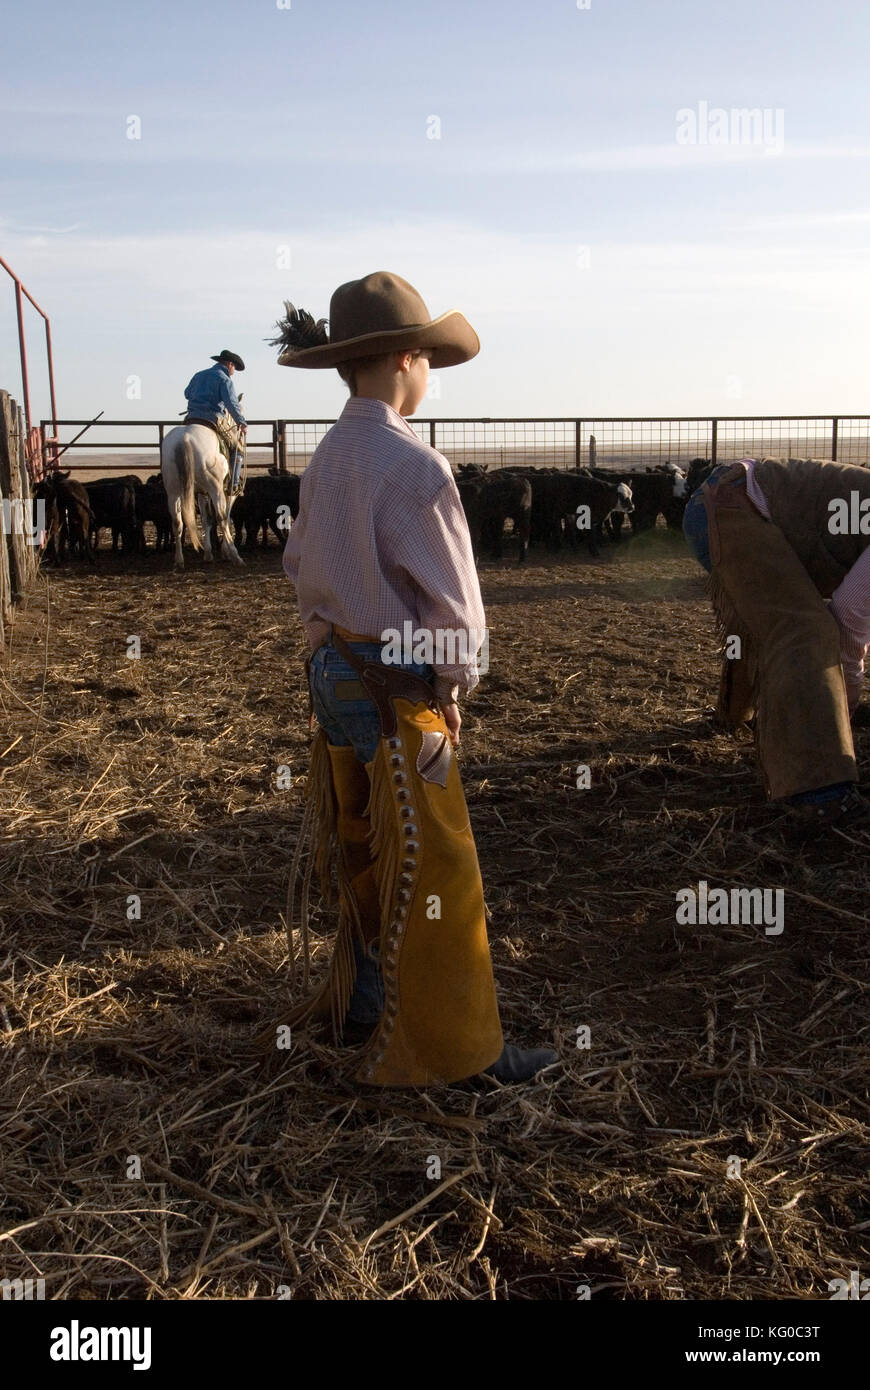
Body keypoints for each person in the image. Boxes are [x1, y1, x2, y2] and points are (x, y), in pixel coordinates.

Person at [272, 270, 558, 1085]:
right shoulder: (417, 468)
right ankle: (455, 1048)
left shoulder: (327, 457)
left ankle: (361, 998)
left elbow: (299, 565)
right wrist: (451, 690)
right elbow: (457, 614)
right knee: (436, 862)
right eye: (429, 356)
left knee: (361, 841)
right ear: (405, 359)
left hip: (333, 674)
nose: (430, 369)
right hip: (397, 685)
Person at [683, 456, 870, 824]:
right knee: (806, 630)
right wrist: (844, 703)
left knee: (771, 618)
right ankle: (819, 791)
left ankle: (734, 714)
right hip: (730, 507)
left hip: (727, 500)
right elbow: (848, 617)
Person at [183, 349, 248, 491]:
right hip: (213, 418)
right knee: (237, 447)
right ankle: (233, 484)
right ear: (230, 364)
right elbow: (231, 404)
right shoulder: (224, 379)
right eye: (234, 367)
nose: (234, 371)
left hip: (192, 418)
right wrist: (241, 422)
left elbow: (187, 393)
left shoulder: (198, 375)